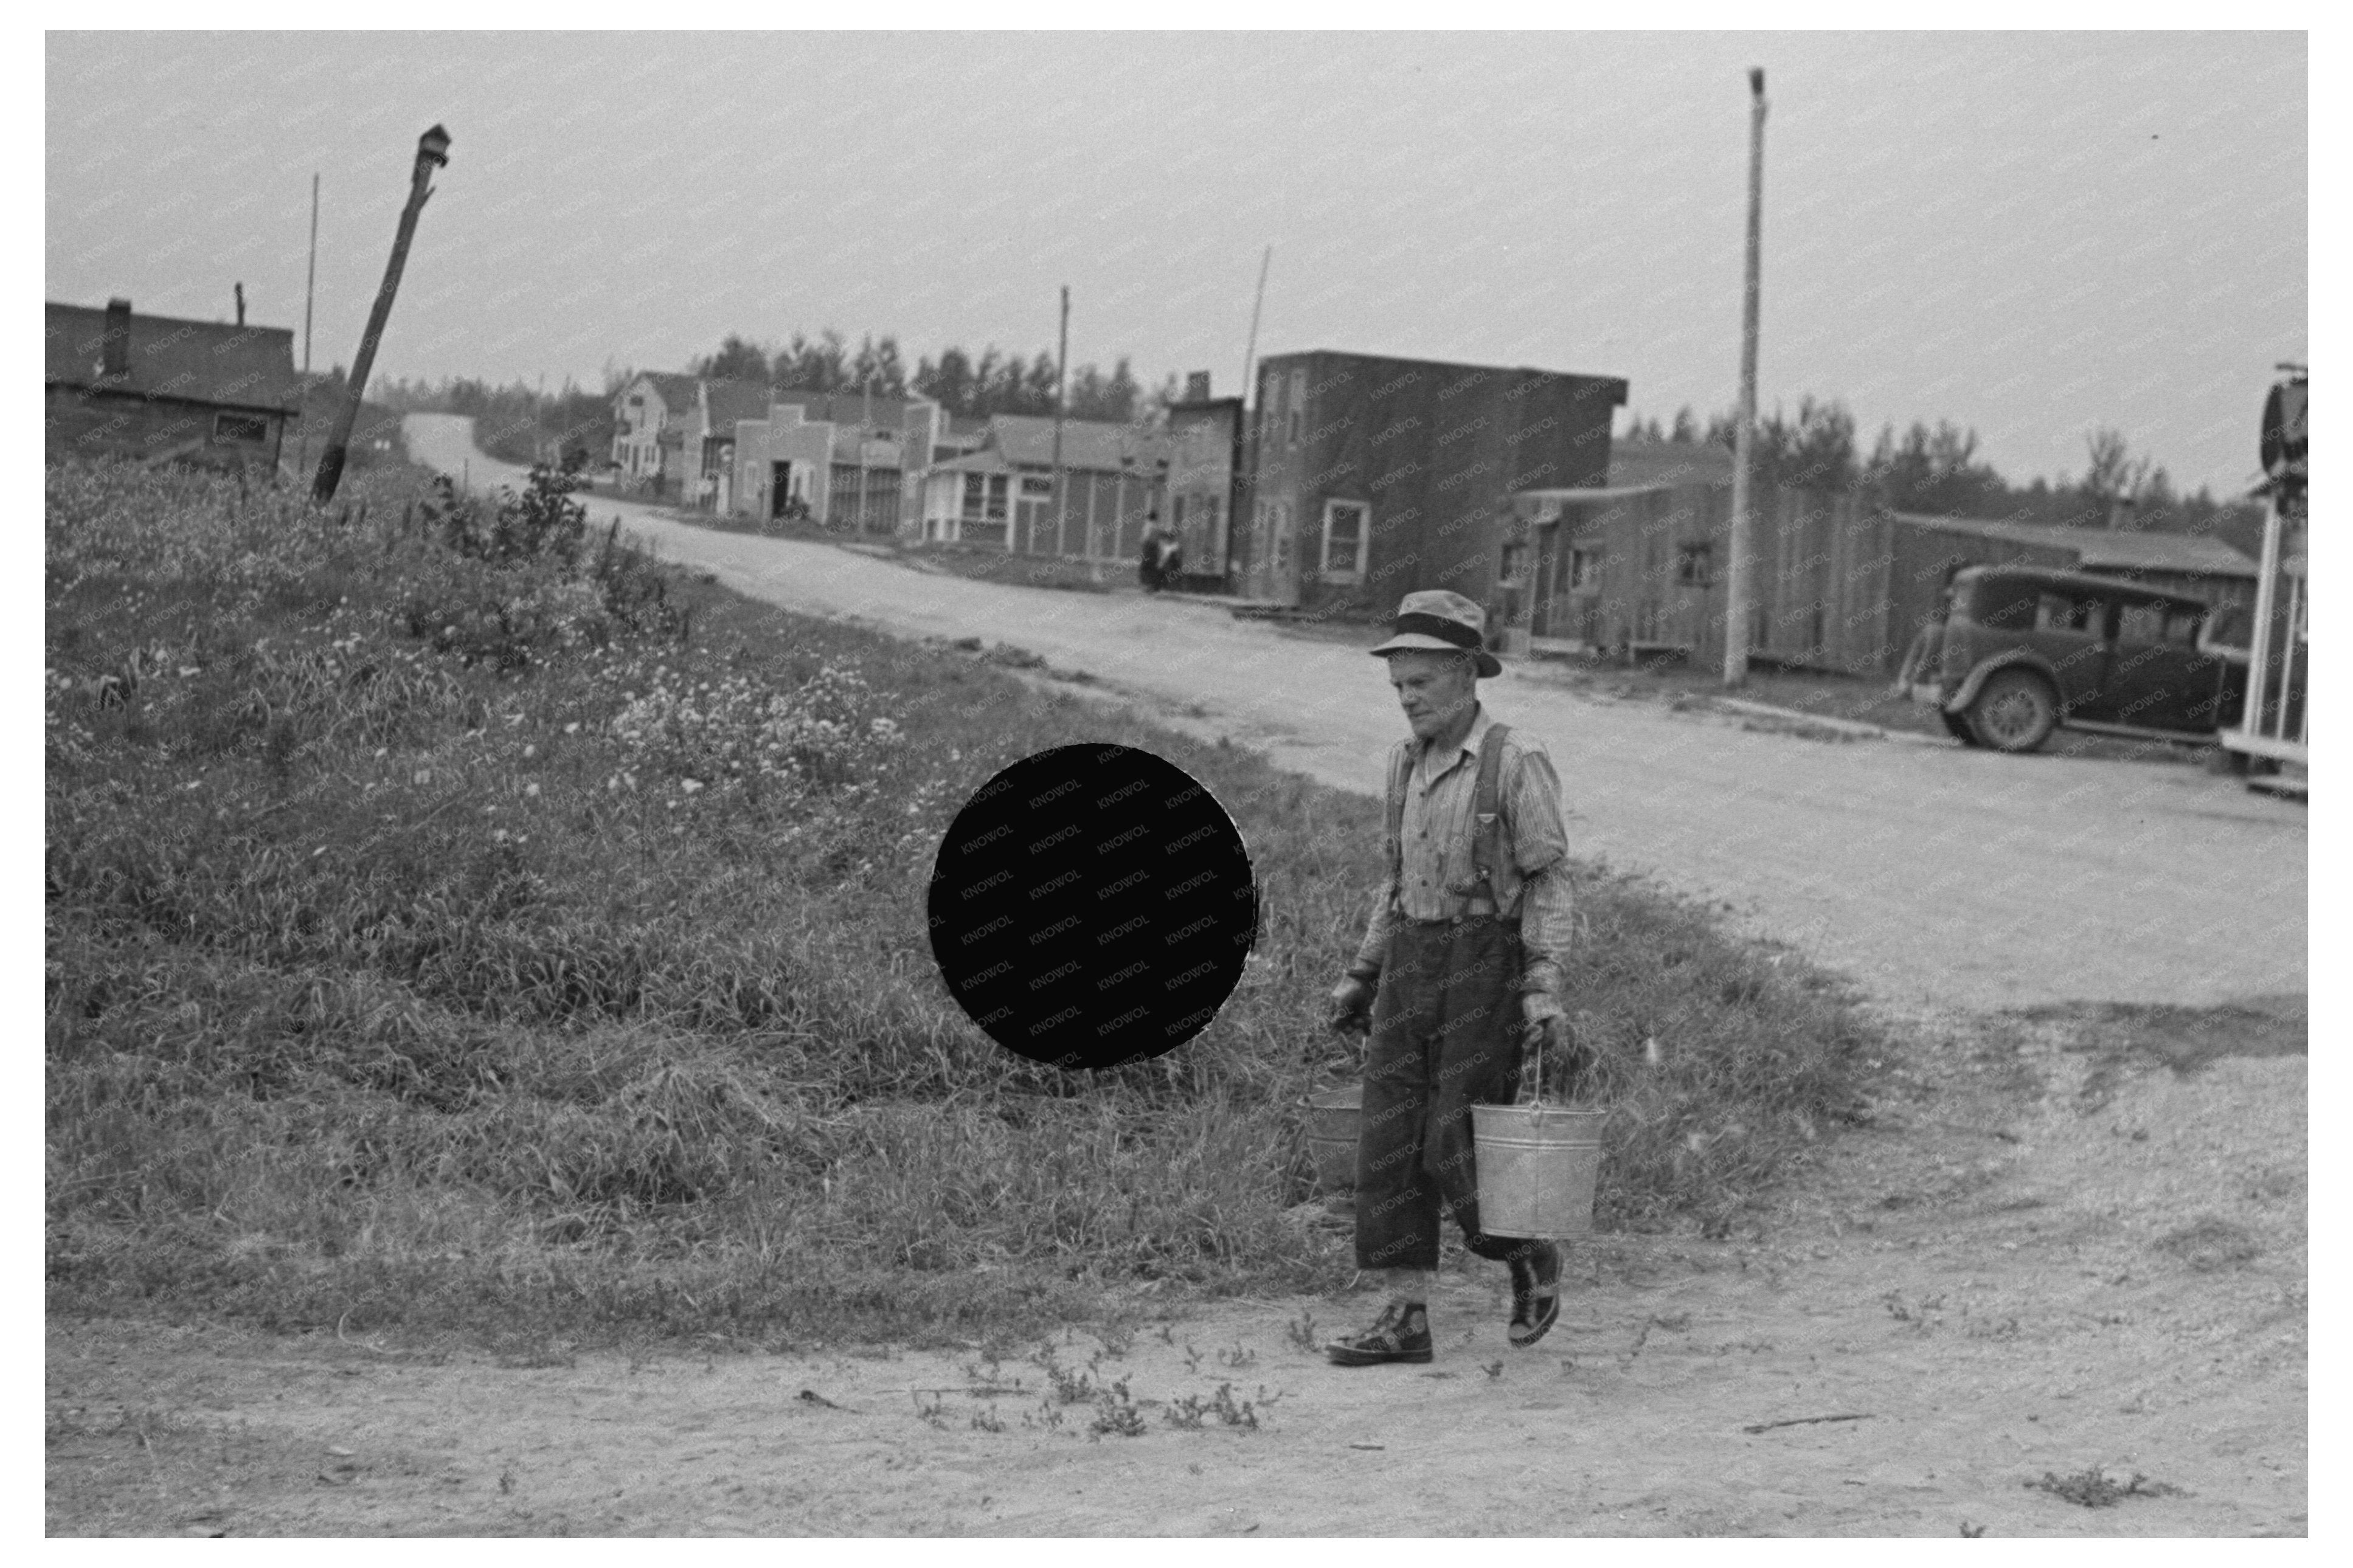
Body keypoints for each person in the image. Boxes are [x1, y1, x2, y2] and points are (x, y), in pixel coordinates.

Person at [1322, 589, 1581, 1366]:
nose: (1406, 701)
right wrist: (1361, 972)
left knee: (1453, 1144)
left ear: (1467, 673)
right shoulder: (1403, 764)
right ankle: (1404, 1316)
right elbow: (1392, 881)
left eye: (1421, 684)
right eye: (1397, 686)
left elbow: (1549, 881)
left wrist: (1543, 988)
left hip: (1482, 970)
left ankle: (1527, 1250)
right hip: (1409, 961)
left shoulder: (1514, 760)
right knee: (1388, 1145)